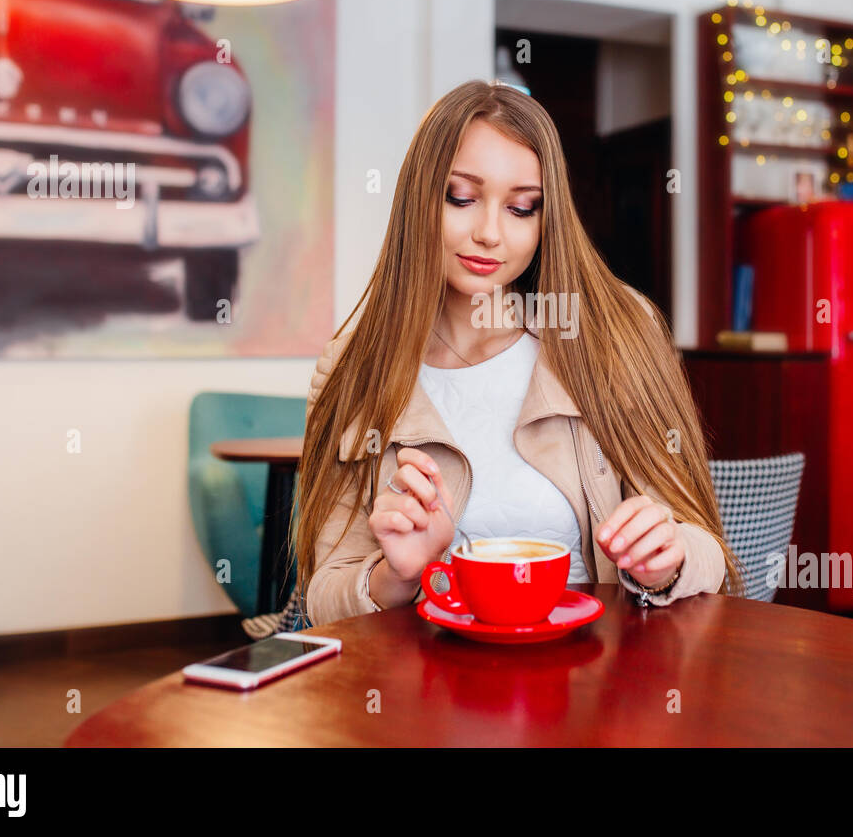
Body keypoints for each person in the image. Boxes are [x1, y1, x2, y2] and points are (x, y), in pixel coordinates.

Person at [288, 80, 740, 628]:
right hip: (424, 693)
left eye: (522, 208)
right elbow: (323, 593)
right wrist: (396, 576)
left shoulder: (616, 332)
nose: (490, 233)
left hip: (592, 685)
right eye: (461, 198)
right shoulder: (352, 366)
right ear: (417, 199)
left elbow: (707, 550)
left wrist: (666, 561)